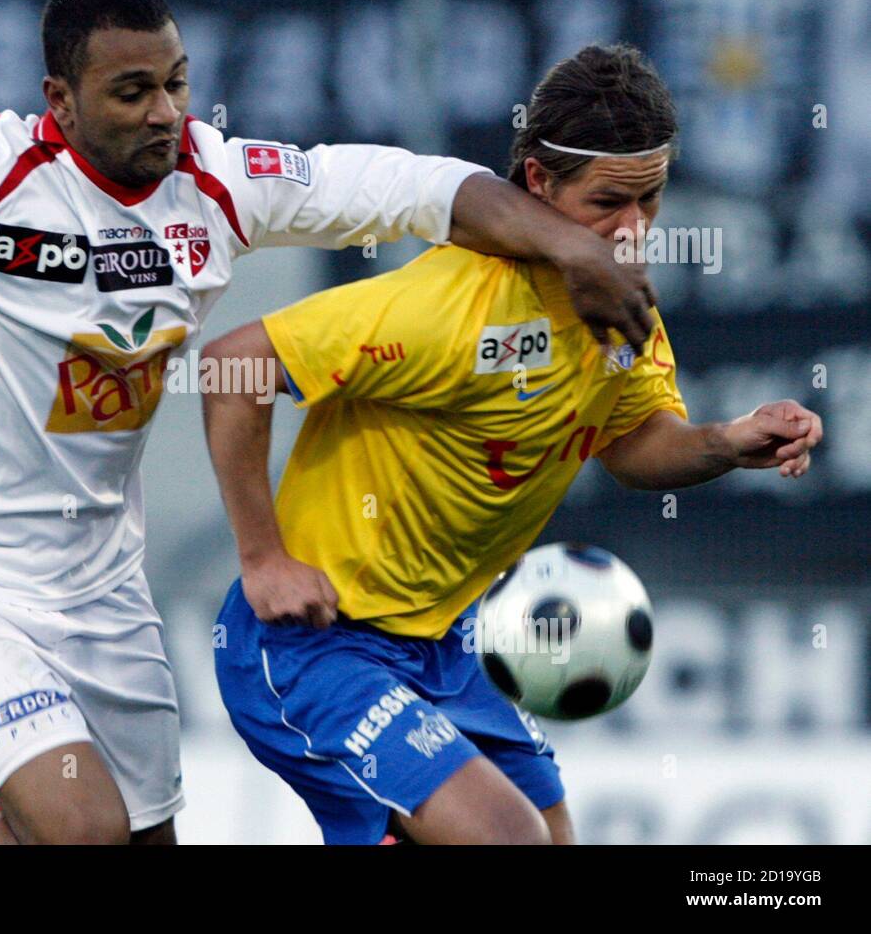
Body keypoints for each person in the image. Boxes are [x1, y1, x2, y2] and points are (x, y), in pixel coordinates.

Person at [0, 0, 658, 846]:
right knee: (81, 829)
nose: (165, 112)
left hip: (101, 583)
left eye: (176, 83)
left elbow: (411, 186)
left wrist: (570, 246)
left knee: (128, 838)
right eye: (131, 93)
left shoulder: (217, 182)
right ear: (59, 102)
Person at [204, 43, 823, 845]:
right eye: (609, 203)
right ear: (538, 185)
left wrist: (725, 442)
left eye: (652, 202)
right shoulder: (443, 307)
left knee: (553, 833)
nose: (632, 231)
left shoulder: (620, 306)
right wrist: (263, 559)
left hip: (444, 644)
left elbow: (633, 444)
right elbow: (232, 366)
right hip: (313, 648)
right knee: (506, 837)